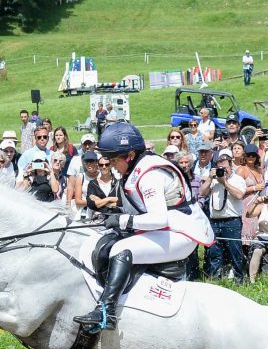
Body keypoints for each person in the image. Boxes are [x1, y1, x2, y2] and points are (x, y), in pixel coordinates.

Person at [75, 122, 214, 335]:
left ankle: (106, 312)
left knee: (121, 250)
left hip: (181, 233)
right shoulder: (133, 170)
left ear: (130, 155)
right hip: (167, 228)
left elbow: (158, 218)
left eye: (113, 160)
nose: (111, 165)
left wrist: (123, 221)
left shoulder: (149, 175)